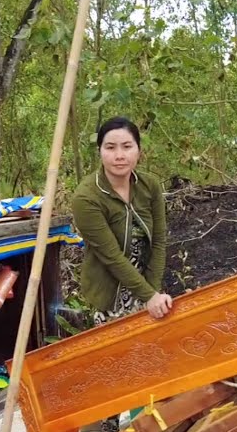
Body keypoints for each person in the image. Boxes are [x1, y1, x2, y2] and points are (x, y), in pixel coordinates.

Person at [71, 116, 173, 323]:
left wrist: (151, 292)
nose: (119, 155)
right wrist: (149, 296)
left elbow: (159, 241)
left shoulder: (149, 186)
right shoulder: (86, 197)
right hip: (108, 295)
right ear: (100, 151)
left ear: (138, 150)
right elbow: (111, 257)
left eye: (127, 146)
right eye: (110, 147)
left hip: (146, 286)